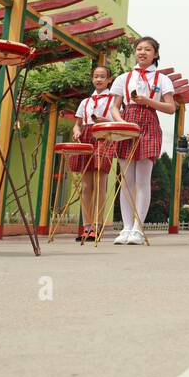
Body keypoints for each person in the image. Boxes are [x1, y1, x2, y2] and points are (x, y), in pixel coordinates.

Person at [109, 37, 176, 245]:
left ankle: (138, 229)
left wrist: (147, 101)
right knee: (126, 180)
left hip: (149, 124)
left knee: (142, 179)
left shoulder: (162, 79)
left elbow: (171, 108)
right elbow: (114, 107)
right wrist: (122, 123)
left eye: (148, 49)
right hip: (127, 124)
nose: (143, 52)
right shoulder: (123, 78)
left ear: (155, 54)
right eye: (139, 49)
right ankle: (126, 228)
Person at [70, 63, 120, 243]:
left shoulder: (113, 101)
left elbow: (117, 120)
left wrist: (105, 120)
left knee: (100, 182)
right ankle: (87, 226)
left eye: (102, 76)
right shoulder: (85, 102)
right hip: (86, 137)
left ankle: (98, 226)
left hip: (103, 136)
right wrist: (76, 130)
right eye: (96, 76)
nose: (98, 79)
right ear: (92, 79)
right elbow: (78, 123)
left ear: (109, 80)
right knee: (86, 186)